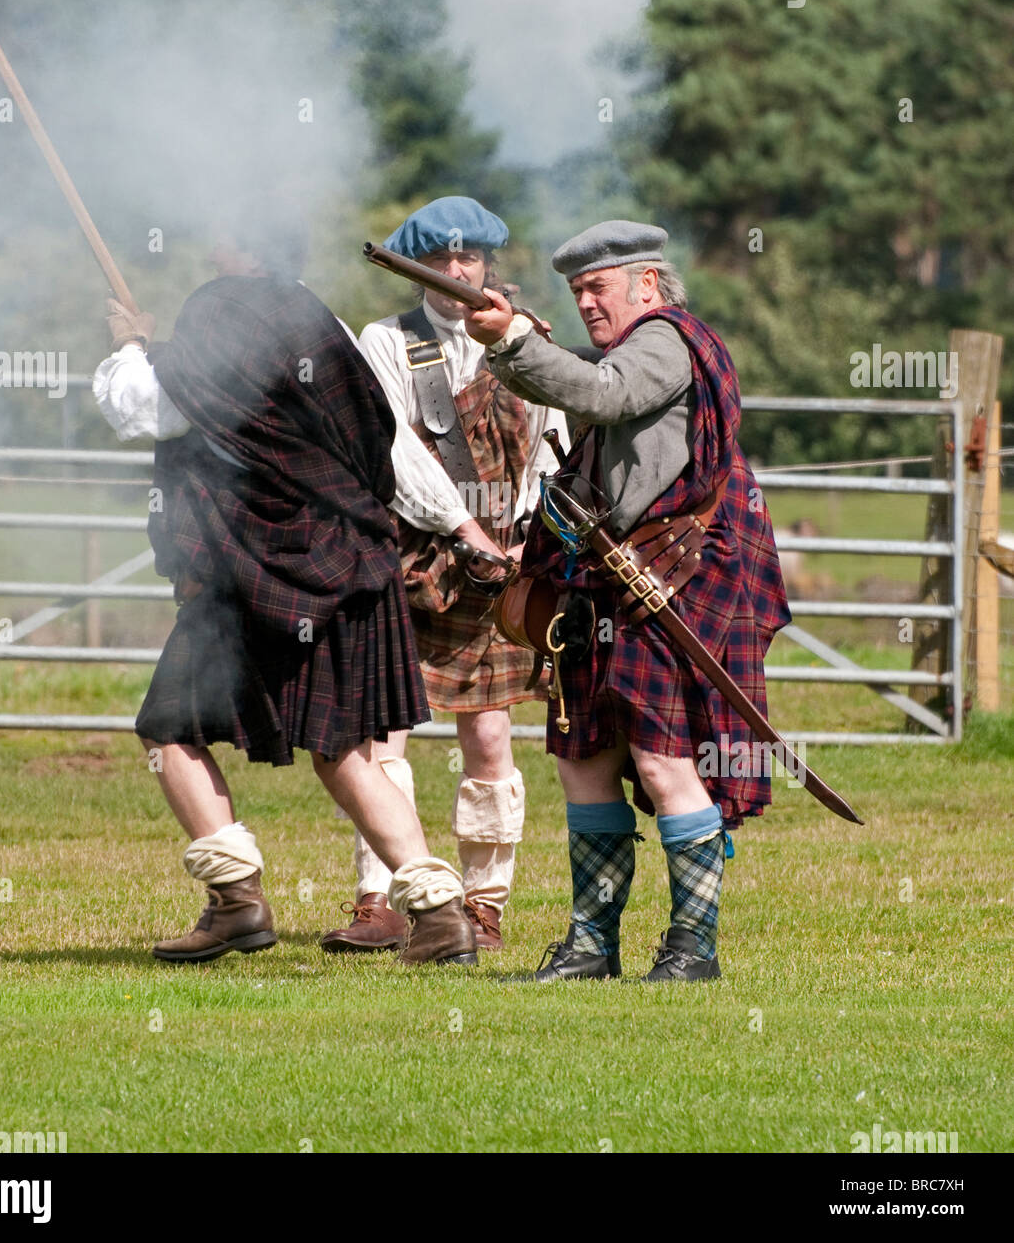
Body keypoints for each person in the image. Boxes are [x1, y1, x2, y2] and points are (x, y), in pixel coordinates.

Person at [92, 228, 477, 967]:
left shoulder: (220, 311)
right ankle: (438, 914)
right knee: (344, 754)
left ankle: (236, 903)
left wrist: (135, 349)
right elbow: (368, 436)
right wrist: (161, 349)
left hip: (255, 571)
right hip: (345, 557)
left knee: (169, 727)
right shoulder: (316, 319)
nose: (210, 246)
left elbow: (145, 410)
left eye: (223, 232)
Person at [463, 220, 790, 981]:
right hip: (609, 579)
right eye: (576, 291)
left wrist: (514, 338)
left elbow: (600, 393)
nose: (585, 302)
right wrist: (512, 340)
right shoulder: (634, 349)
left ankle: (692, 949)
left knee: (663, 758)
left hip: (668, 580)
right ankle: (590, 944)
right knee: (585, 757)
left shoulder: (665, 341)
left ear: (646, 282)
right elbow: (578, 379)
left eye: (596, 287)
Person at [319, 197, 568, 954]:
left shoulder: (525, 339)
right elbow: (392, 452)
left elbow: (551, 441)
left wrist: (526, 533)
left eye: (468, 258)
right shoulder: (385, 342)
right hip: (415, 559)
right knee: (380, 736)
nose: (455, 271)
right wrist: (462, 529)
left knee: (490, 737)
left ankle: (484, 907)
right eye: (439, 259)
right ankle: (387, 900)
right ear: (416, 263)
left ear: (489, 262)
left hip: (507, 568)